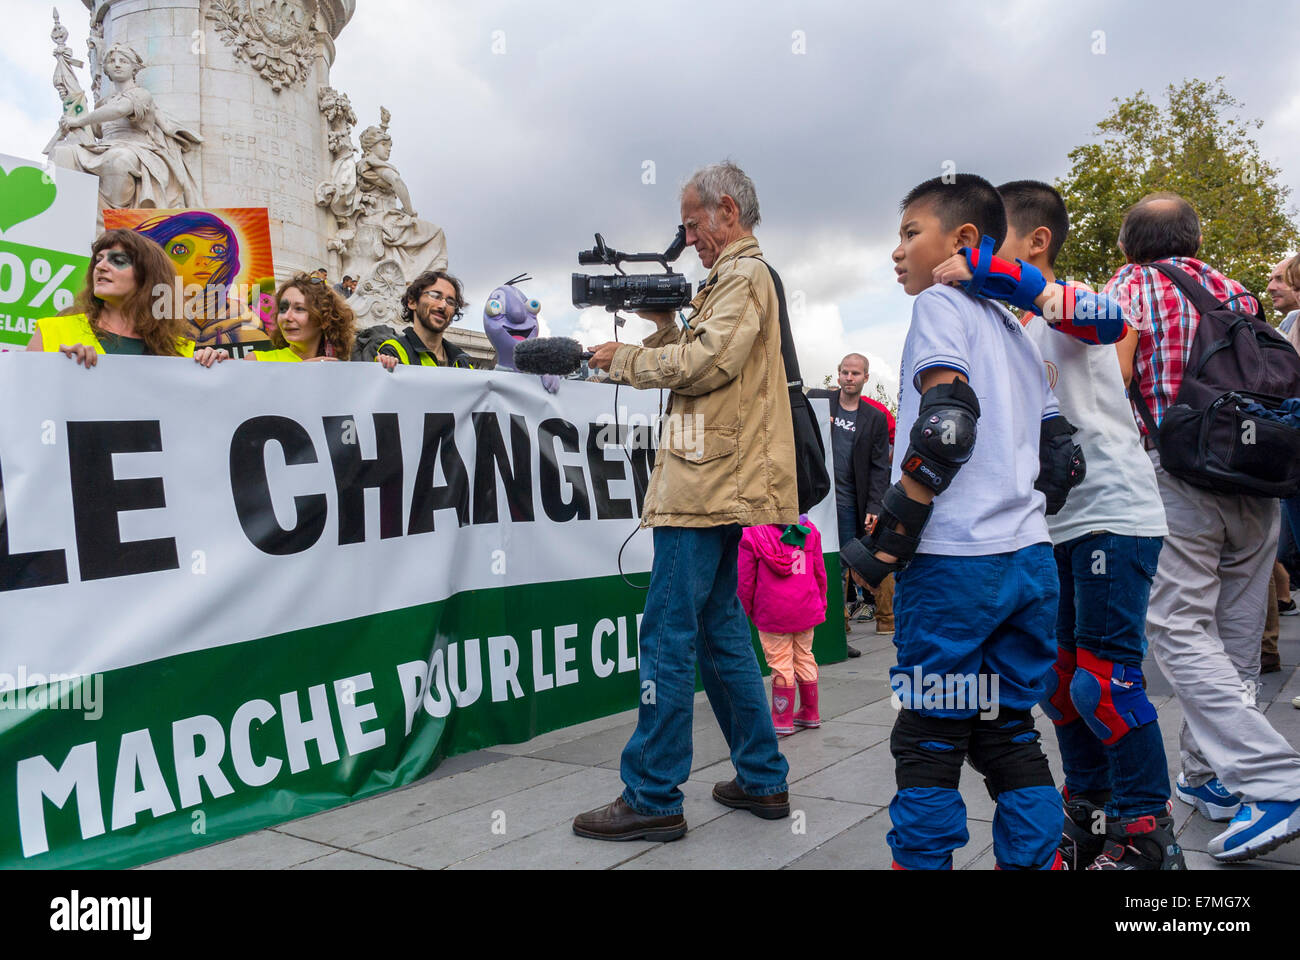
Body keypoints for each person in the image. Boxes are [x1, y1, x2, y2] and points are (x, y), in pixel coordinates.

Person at [841, 173, 1067, 870]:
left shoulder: (944, 303)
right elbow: (1063, 463)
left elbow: (945, 427)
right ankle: (1038, 862)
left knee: (931, 735)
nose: (897, 251)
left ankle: (924, 862)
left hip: (956, 567)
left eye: (911, 233)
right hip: (1029, 562)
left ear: (963, 239)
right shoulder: (1020, 330)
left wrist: (896, 534)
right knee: (1007, 731)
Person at [573, 161, 796, 841]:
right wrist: (667, 325)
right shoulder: (737, 280)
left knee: (667, 634)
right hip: (723, 481)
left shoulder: (743, 275)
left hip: (702, 487)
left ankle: (652, 793)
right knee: (721, 633)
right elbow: (707, 361)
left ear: (726, 211)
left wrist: (624, 359)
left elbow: (706, 365)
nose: (689, 238)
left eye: (693, 224)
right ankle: (760, 777)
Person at [976, 180, 1181, 869]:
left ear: (1036, 244)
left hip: (1113, 515)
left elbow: (1106, 324)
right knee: (1062, 684)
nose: (975, 249)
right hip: (1055, 525)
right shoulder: (1011, 328)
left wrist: (981, 267)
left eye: (988, 237)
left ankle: (1146, 831)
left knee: (1106, 682)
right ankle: (1089, 813)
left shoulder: (1080, 303)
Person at [1106, 192, 1300, 862]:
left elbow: (1113, 381)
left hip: (1179, 475)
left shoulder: (1126, 288)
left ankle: (1277, 782)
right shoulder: (1234, 290)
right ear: (1190, 238)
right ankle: (1206, 775)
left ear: (1130, 243)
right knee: (1237, 636)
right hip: (1259, 480)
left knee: (1180, 626)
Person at [26, 228, 221, 368]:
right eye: (98, 259)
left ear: (147, 277)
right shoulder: (51, 331)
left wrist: (217, 369)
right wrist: (58, 369)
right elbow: (22, 401)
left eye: (118, 260)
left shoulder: (182, 351)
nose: (101, 266)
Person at [808, 354, 894, 643]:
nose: (849, 378)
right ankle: (837, 625)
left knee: (849, 560)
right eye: (844, 372)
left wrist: (874, 506)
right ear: (838, 374)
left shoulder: (875, 417)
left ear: (866, 378)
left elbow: (881, 467)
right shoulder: (819, 402)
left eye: (855, 373)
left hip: (851, 500)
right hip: (820, 498)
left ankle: (885, 619)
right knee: (825, 562)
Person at [737, 515, 828, 735]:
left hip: (772, 612)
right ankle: (810, 712)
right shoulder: (809, 530)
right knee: (805, 656)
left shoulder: (751, 533)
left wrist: (743, 610)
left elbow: (745, 580)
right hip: (806, 607)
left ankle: (782, 718)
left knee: (780, 662)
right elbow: (819, 572)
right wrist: (821, 601)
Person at [217, 274, 355, 363]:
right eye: (283, 309)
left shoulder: (339, 369)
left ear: (324, 320)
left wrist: (377, 371)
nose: (287, 317)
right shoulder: (256, 361)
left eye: (299, 309)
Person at [375, 270, 474, 370]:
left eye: (450, 301)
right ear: (412, 302)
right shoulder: (393, 351)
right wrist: (384, 367)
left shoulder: (462, 362)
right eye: (435, 296)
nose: (443, 305)